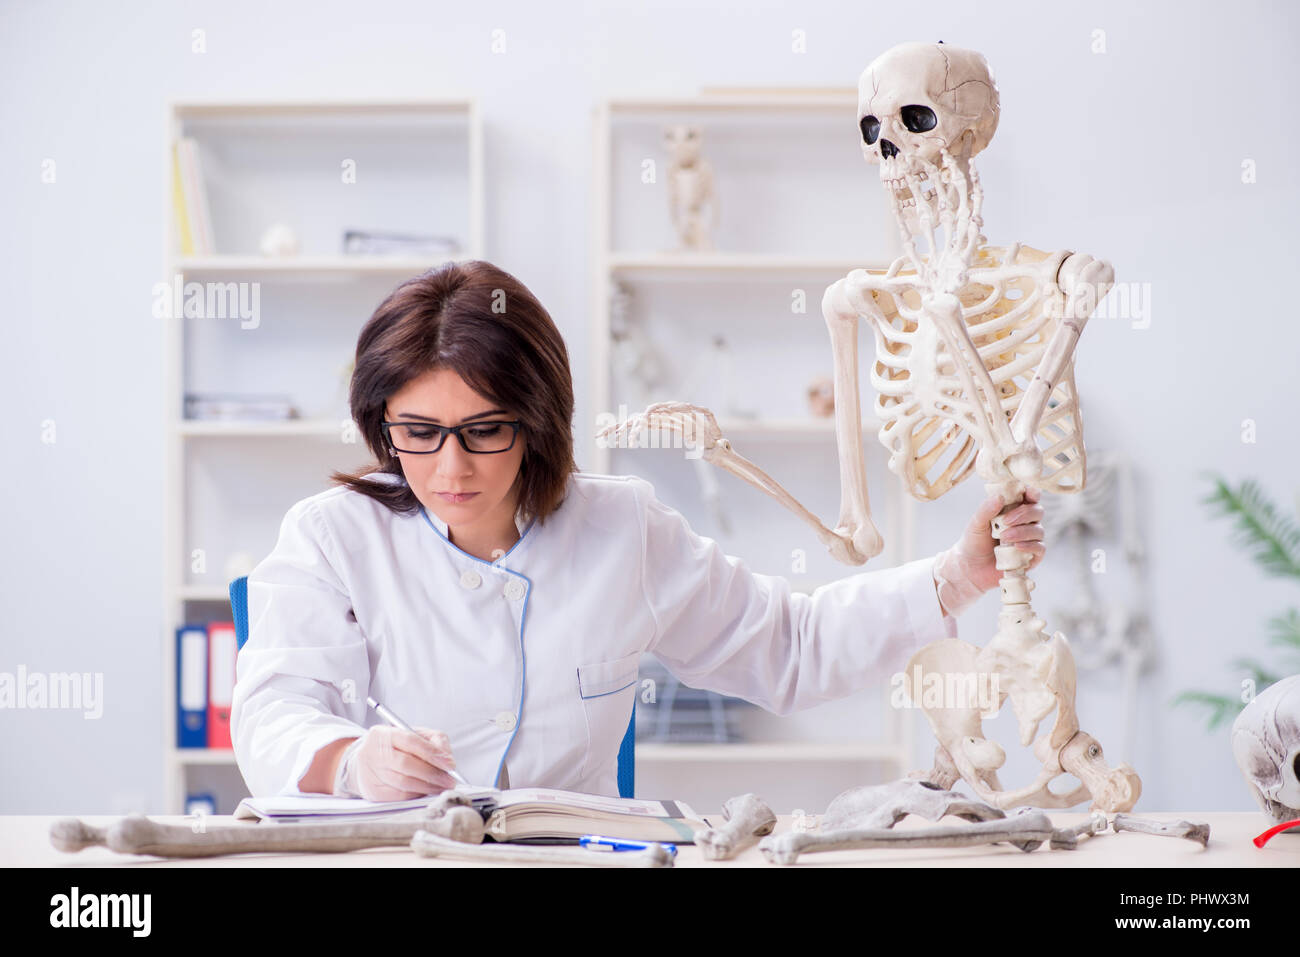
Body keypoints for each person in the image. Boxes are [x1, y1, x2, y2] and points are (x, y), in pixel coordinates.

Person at [229, 260, 1045, 801]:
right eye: (418, 430)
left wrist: (959, 574)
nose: (450, 467)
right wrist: (347, 762)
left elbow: (789, 647)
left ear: (539, 421)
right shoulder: (334, 536)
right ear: (381, 423)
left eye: (485, 430)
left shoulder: (622, 527)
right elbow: (273, 712)